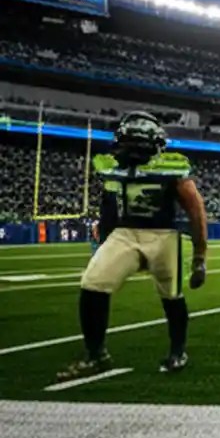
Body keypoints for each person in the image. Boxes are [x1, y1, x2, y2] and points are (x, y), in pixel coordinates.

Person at [58, 112, 208, 381]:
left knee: (171, 295)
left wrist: (199, 256)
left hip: (162, 234)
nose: (131, 150)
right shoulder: (111, 166)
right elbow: (108, 206)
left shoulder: (172, 168)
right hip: (125, 232)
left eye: (135, 144)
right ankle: (96, 355)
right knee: (93, 283)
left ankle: (178, 350)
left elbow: (196, 210)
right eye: (129, 143)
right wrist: (104, 239)